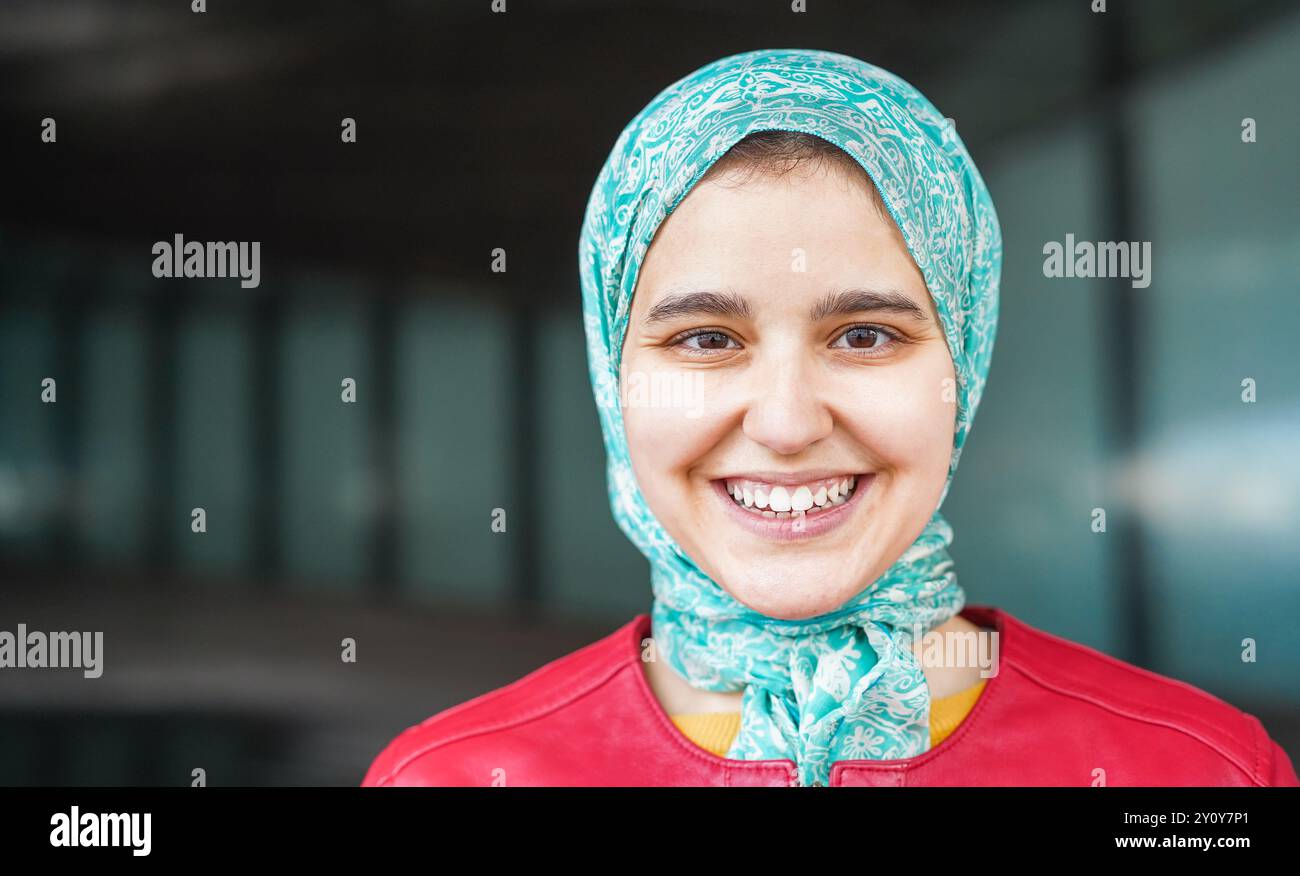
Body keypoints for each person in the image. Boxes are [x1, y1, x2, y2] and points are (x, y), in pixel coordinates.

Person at [362, 48, 1299, 787]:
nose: (786, 421)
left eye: (863, 336)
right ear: (615, 379)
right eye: (704, 340)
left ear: (962, 366)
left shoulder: (1197, 778)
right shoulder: (450, 778)